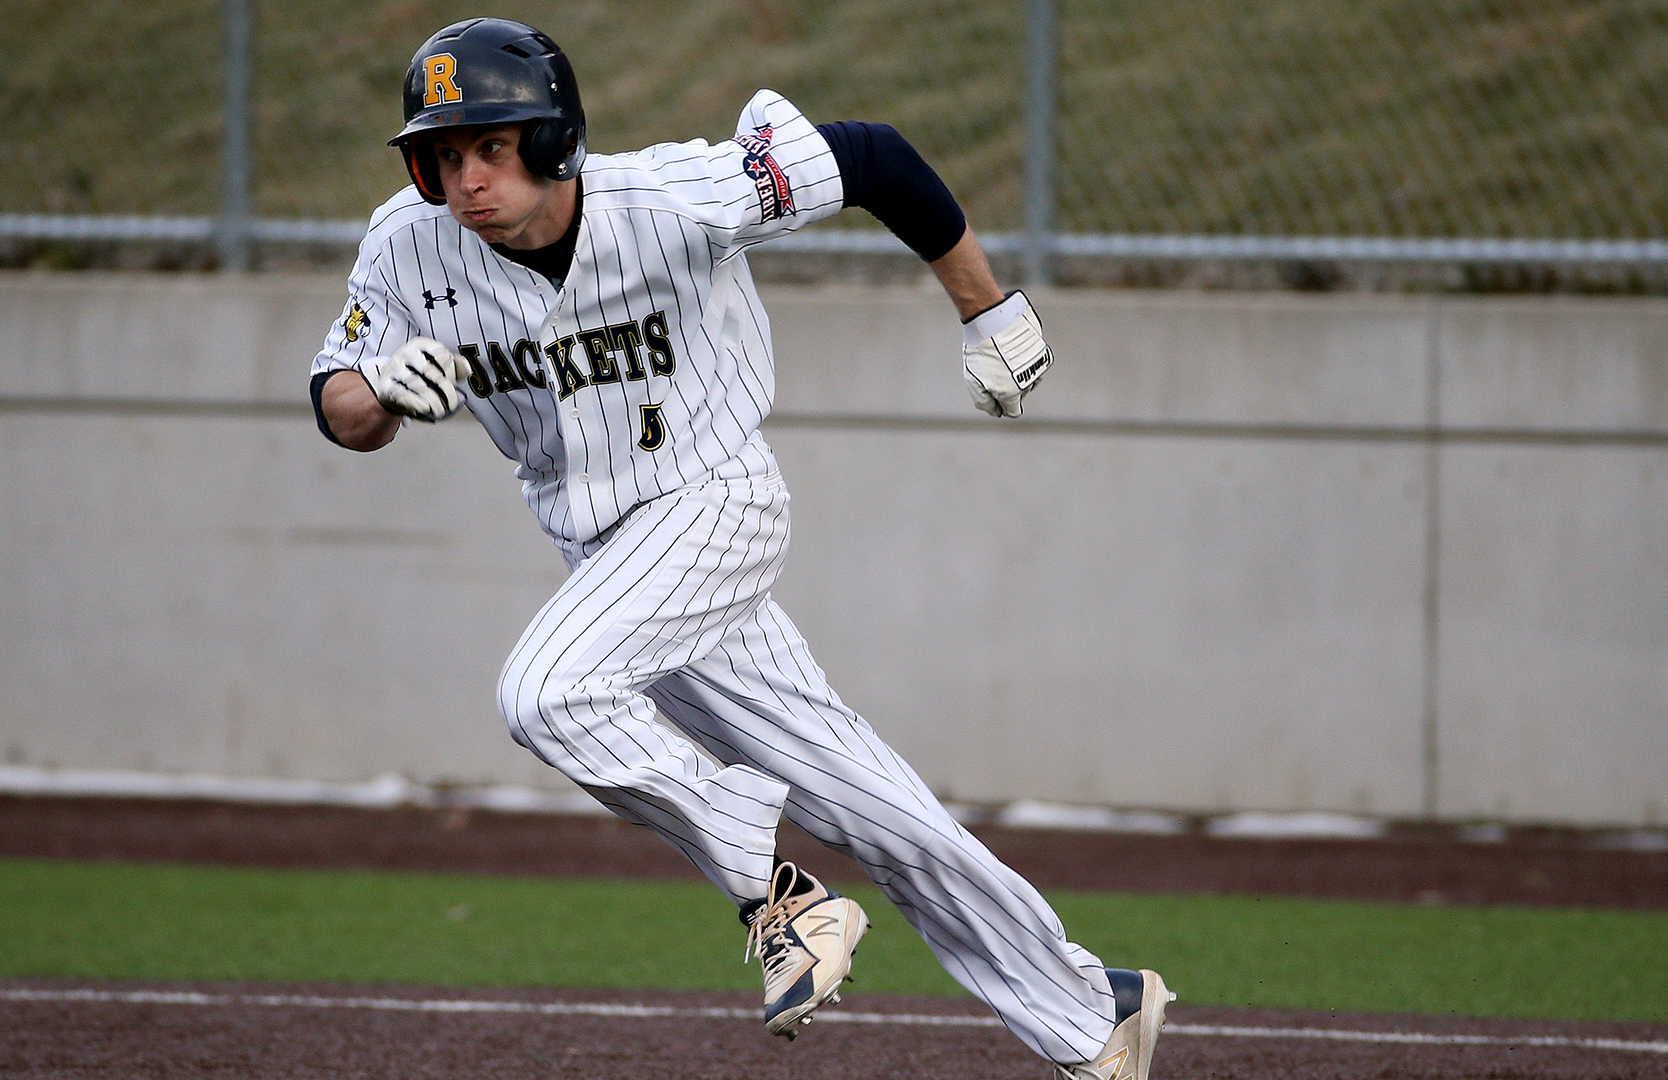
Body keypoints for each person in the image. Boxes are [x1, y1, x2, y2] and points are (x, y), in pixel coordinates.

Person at [309, 17, 1171, 1080]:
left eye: (492, 145)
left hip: (717, 501)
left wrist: (984, 308)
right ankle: (1098, 1012)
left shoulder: (675, 198)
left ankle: (778, 897)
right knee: (878, 814)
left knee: (546, 694)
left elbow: (871, 157)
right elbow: (338, 399)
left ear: (556, 140)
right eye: (444, 155)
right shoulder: (409, 243)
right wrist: (379, 393)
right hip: (614, 568)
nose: (467, 177)